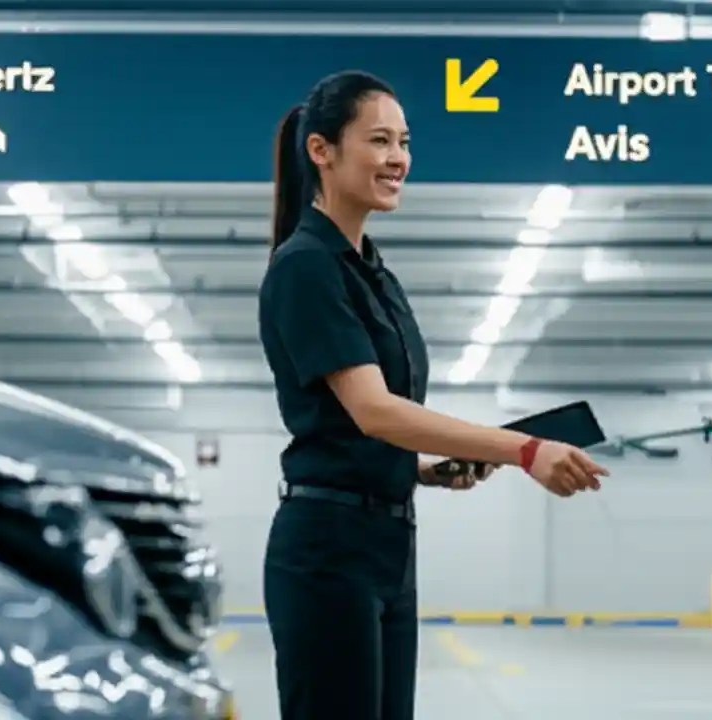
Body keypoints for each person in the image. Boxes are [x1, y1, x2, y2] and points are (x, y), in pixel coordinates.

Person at [256, 69, 610, 720]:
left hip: (389, 544)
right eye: (379, 140)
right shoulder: (306, 265)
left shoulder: (374, 275)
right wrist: (524, 449)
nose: (398, 158)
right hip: (328, 552)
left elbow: (362, 427)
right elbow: (374, 410)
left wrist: (418, 467)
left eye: (405, 143)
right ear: (321, 150)